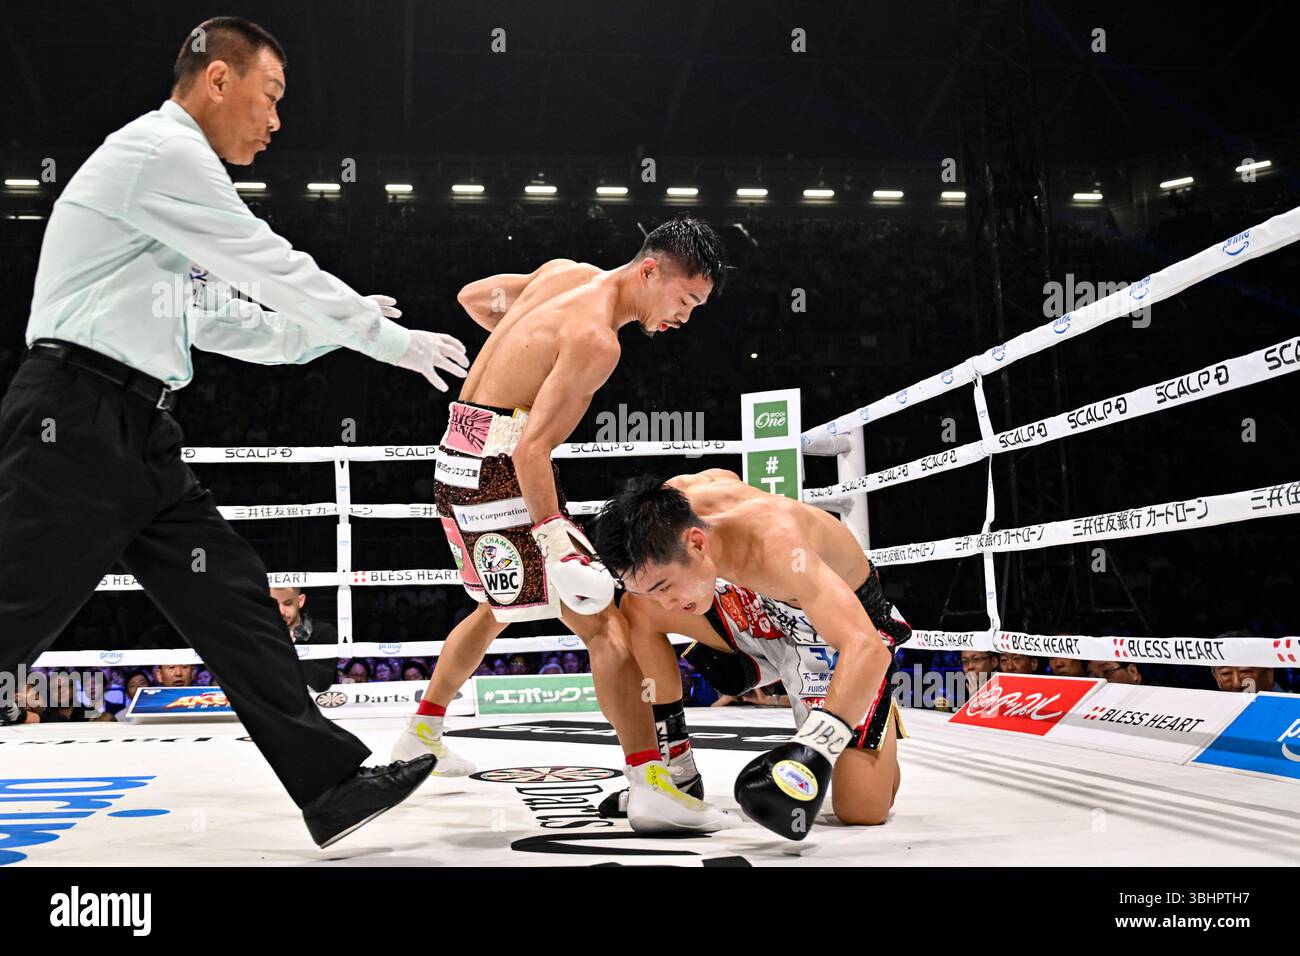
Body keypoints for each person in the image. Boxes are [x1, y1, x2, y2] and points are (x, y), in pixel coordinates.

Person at [0, 17, 465, 846]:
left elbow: (227, 320)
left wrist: (344, 327)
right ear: (219, 79)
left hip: (135, 427)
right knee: (11, 613)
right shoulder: (162, 153)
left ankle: (329, 784)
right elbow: (266, 258)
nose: (278, 119)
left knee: (236, 599)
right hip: (73, 418)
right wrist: (382, 339)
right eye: (272, 94)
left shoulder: (169, 199)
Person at [390, 218, 731, 833]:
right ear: (650, 271)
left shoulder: (564, 274)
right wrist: (556, 541)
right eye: (685, 299)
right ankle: (650, 783)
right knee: (605, 621)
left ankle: (421, 736)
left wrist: (525, 354)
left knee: (498, 607)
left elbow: (474, 297)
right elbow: (531, 451)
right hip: (499, 475)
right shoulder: (597, 340)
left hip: (460, 460)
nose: (685, 316)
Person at [591, 470, 912, 841]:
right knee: (636, 609)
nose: (667, 602)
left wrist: (813, 748)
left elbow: (867, 648)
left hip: (835, 635)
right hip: (762, 604)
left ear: (697, 543)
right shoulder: (668, 509)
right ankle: (677, 776)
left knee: (862, 810)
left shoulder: (779, 543)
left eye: (665, 586)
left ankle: (873, 710)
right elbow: (722, 477)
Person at [272, 585, 339, 692]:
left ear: (300, 601)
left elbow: (322, 683)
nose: (281, 611)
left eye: (287, 603)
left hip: (315, 706)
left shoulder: (324, 632)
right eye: (273, 604)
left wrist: (288, 647)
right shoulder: (259, 633)